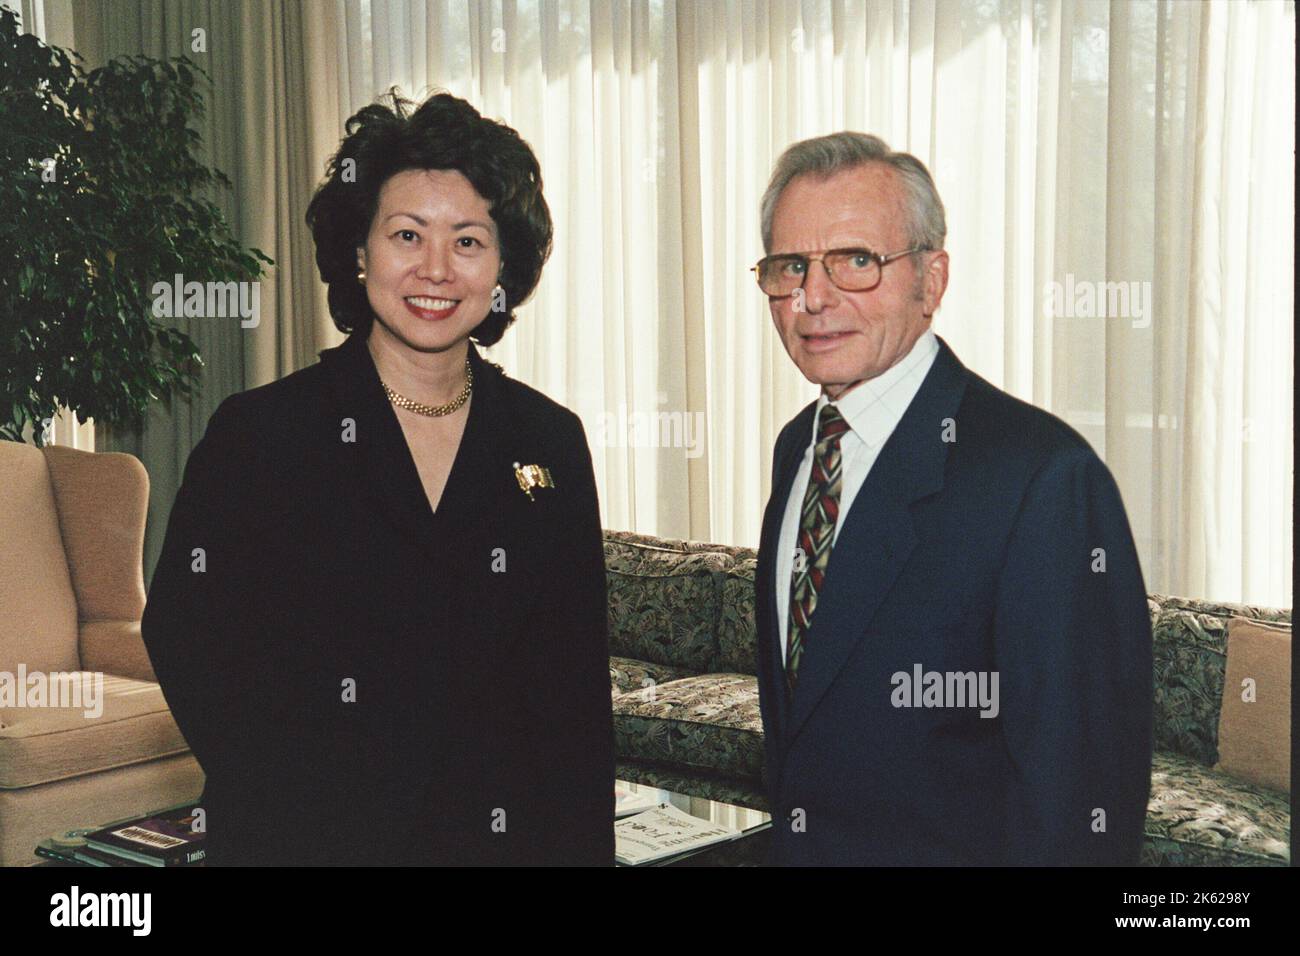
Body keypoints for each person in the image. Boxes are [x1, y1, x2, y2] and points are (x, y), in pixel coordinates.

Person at [141, 90, 614, 866]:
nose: (435, 268)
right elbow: (189, 638)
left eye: (468, 240)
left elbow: (572, 697)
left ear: (502, 267)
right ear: (359, 252)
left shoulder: (548, 441)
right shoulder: (261, 435)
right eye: (406, 234)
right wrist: (295, 798)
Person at [752, 132, 1153, 865]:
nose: (813, 297)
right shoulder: (798, 450)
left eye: (856, 262)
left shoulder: (1044, 479)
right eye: (791, 266)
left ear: (931, 281)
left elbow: (1079, 801)